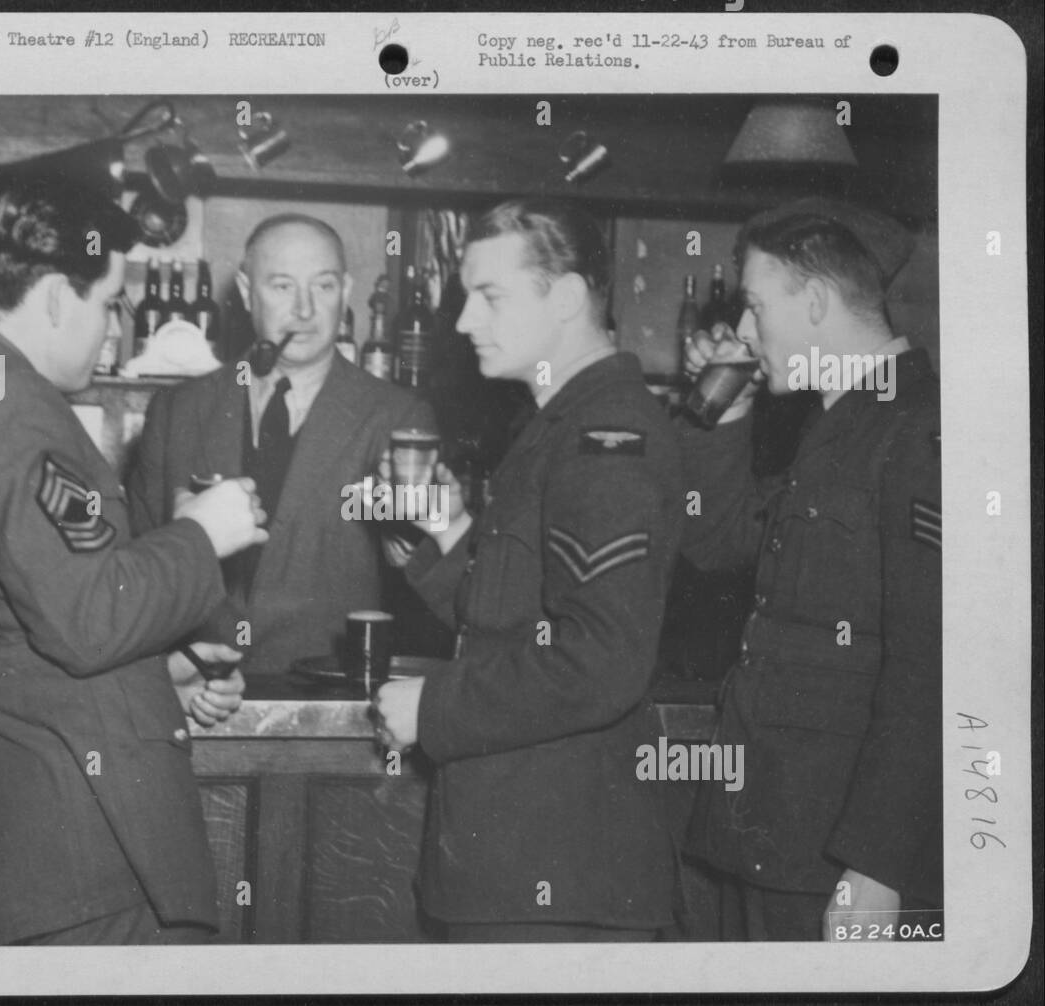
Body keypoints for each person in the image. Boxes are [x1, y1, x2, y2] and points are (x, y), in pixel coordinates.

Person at [0, 177, 268, 945]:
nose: (117, 326)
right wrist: (200, 536)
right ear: (54, 297)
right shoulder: (13, 411)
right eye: (110, 301)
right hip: (87, 849)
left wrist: (160, 670)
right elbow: (87, 619)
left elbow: (9, 629)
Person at [372, 199, 684, 942]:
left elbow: (600, 662)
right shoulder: (558, 426)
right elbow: (514, 624)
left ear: (569, 297)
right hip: (521, 863)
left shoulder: (607, 439)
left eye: (490, 296)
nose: (462, 323)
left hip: (557, 873)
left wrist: (433, 709)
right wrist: (445, 534)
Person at [677, 198, 941, 941]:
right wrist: (721, 414)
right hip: (775, 837)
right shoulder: (836, 425)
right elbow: (716, 541)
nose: (747, 331)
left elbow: (931, 666)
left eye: (759, 307)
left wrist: (878, 867)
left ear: (818, 302)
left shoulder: (917, 427)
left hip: (836, 857)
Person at [127, 214, 436, 676]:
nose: (306, 310)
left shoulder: (398, 420)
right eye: (283, 287)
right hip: (192, 692)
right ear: (248, 294)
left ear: (347, 291)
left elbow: (421, 583)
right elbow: (136, 570)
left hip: (329, 703)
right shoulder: (178, 412)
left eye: (324, 286)